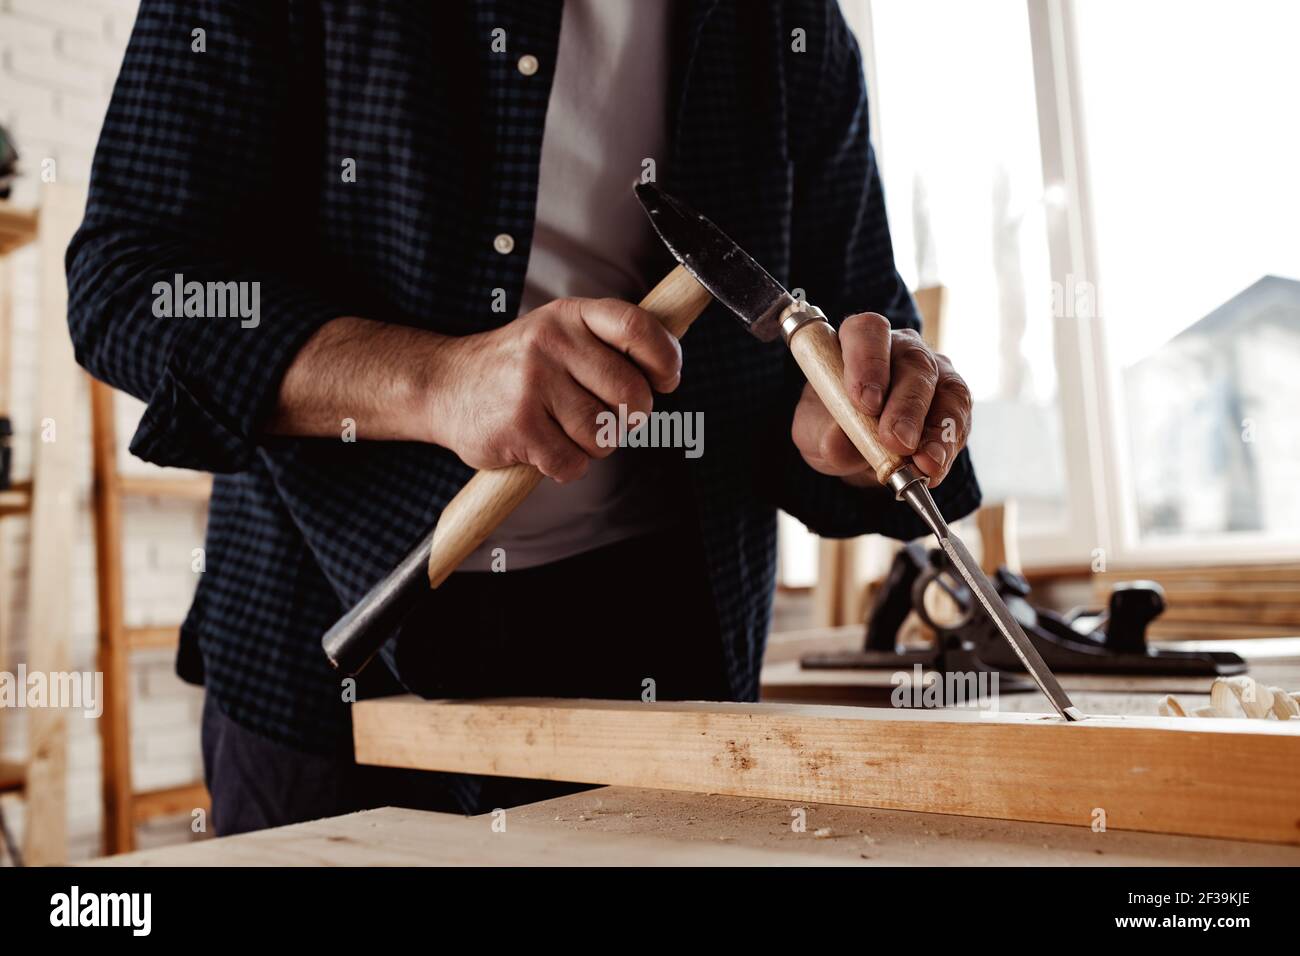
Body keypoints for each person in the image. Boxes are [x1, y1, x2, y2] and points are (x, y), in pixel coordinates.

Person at [67, 0, 980, 835]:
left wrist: (855, 426)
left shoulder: (791, 23)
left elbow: (846, 330)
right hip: (331, 636)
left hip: (664, 657)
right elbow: (128, 281)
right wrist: (433, 379)